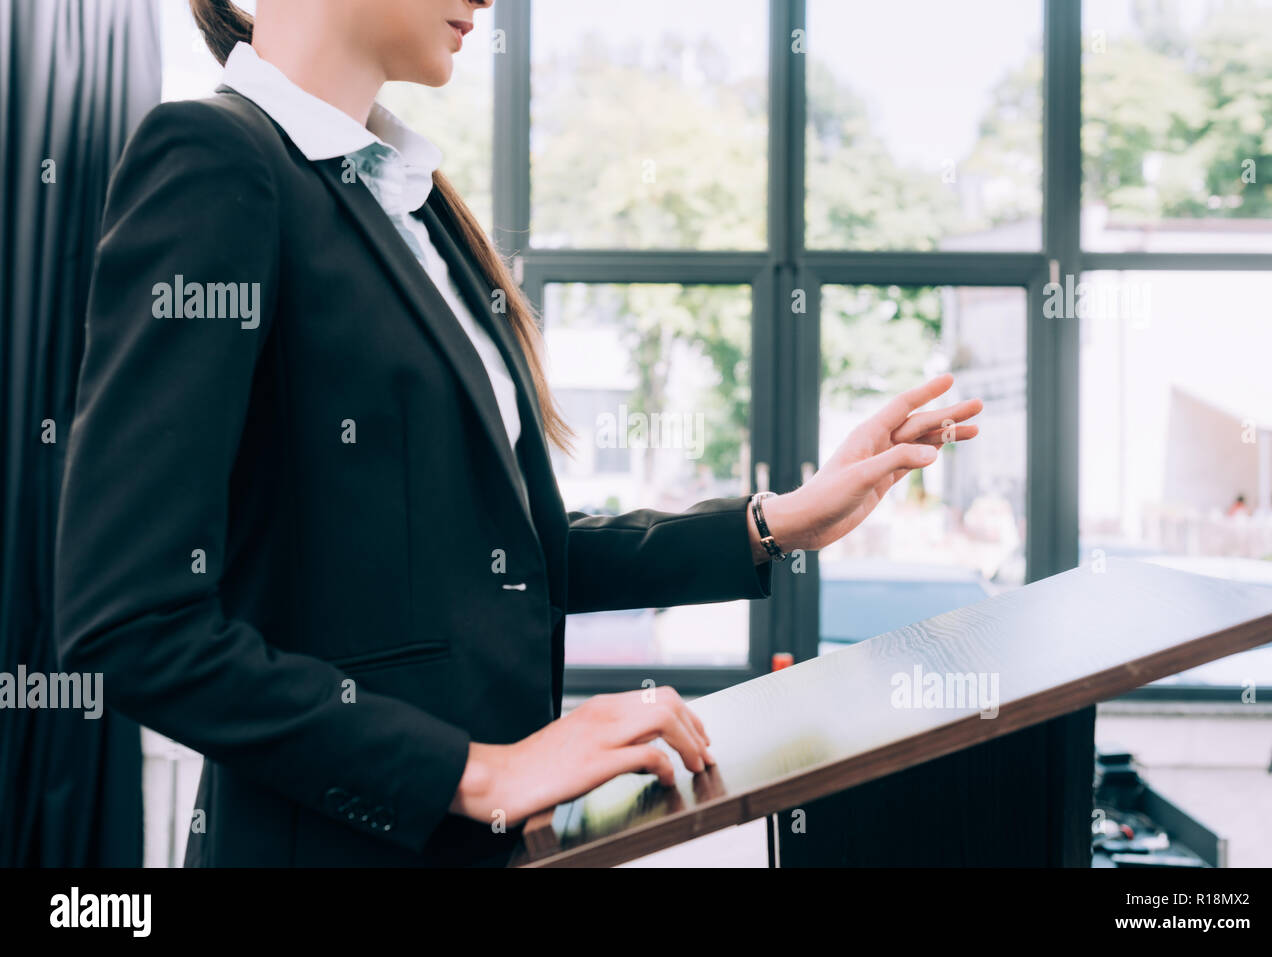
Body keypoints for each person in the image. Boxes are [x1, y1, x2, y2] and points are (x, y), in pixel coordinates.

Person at [53, 0, 983, 866]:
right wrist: (475, 772)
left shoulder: (410, 203)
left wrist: (776, 521)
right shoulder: (213, 160)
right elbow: (131, 620)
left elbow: (506, 560)